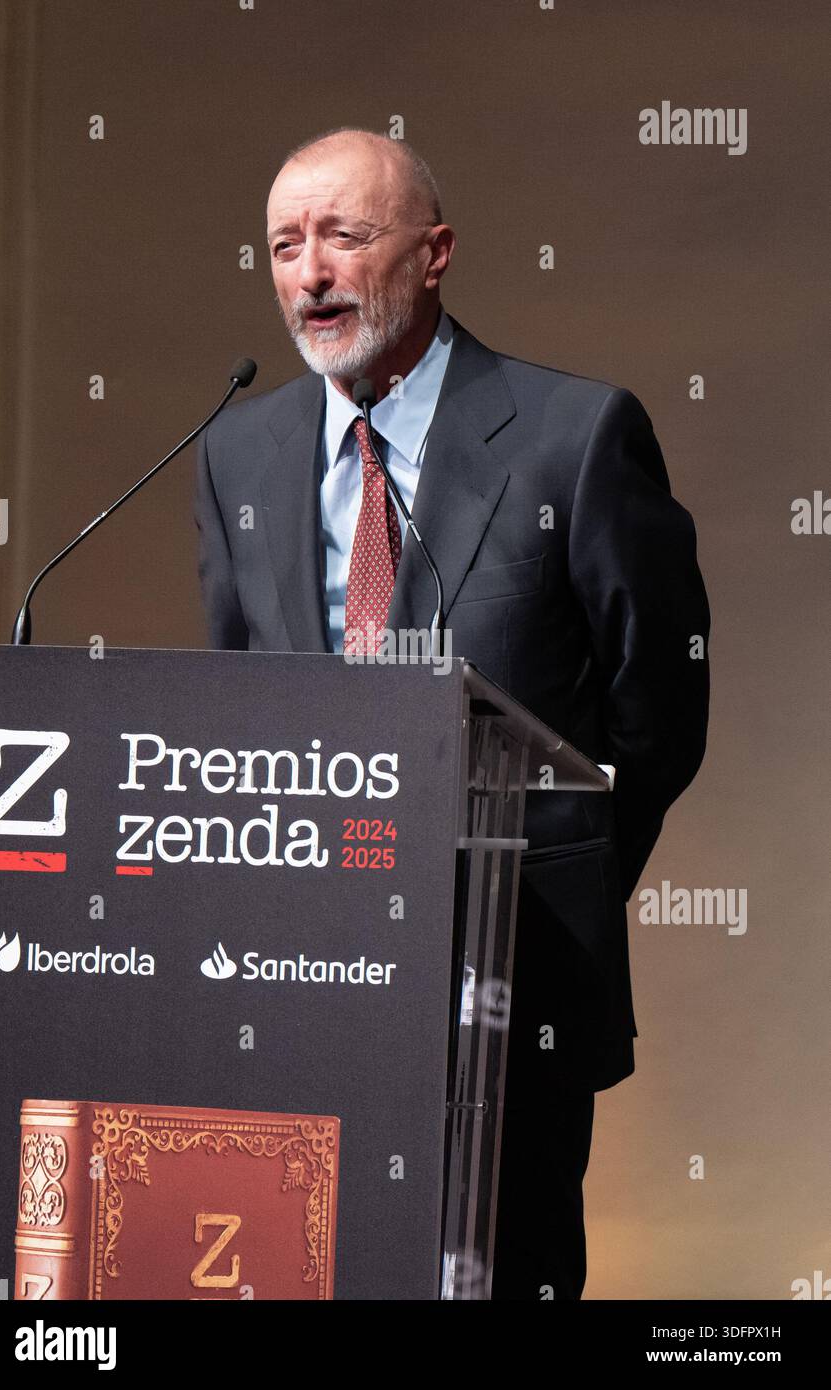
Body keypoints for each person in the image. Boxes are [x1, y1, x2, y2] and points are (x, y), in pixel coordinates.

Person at [194, 127, 711, 1300]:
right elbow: (233, 710)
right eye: (284, 245)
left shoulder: (571, 437)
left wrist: (552, 879)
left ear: (433, 254)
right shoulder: (238, 452)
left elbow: (657, 708)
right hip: (302, 980)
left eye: (343, 235)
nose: (310, 271)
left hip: (508, 983)